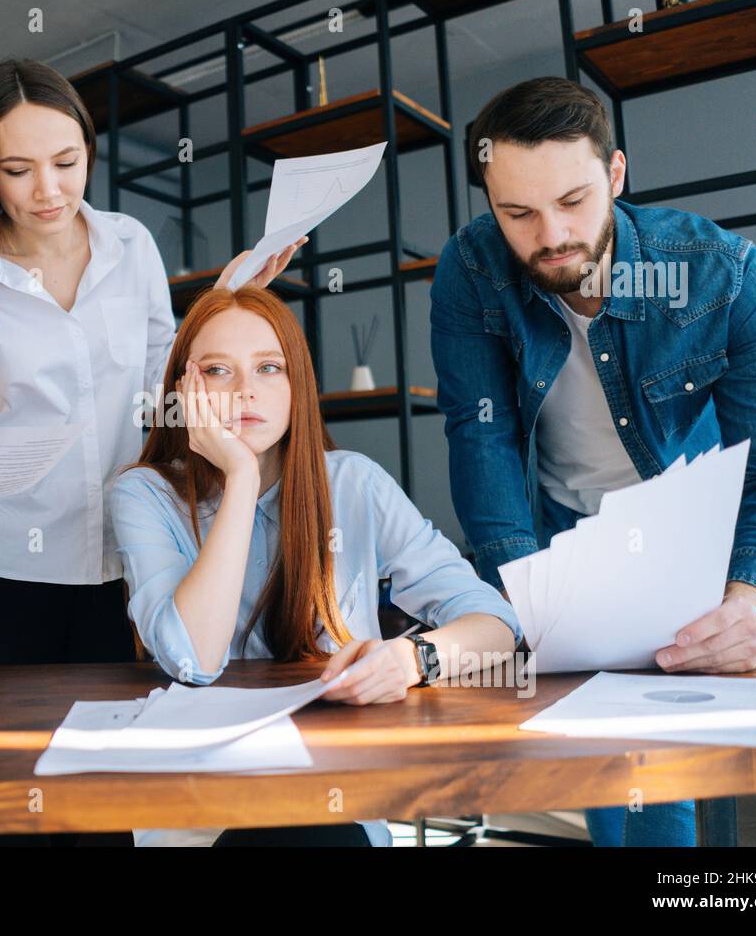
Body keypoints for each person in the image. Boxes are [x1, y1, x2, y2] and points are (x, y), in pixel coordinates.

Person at [0, 58, 302, 846]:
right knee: (16, 807)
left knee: (106, 805)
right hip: (2, 577)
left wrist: (222, 308)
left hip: (121, 567)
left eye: (67, 163)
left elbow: (165, 386)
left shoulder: (131, 245)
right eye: (17, 170)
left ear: (90, 151)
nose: (47, 189)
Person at [429, 76, 756, 846]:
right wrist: (525, 596)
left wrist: (749, 603)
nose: (550, 236)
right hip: (562, 532)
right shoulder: (472, 271)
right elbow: (481, 436)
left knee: (669, 760)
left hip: (690, 533)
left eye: (573, 201)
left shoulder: (729, 278)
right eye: (517, 213)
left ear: (615, 173)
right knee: (612, 760)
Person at [110, 285, 521, 846]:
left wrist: (411, 658)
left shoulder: (354, 482)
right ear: (184, 389)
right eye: (216, 370)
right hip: (204, 804)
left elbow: (496, 624)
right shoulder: (145, 494)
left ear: (297, 384)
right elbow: (193, 659)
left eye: (268, 368)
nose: (244, 391)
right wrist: (242, 477)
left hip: (334, 794)